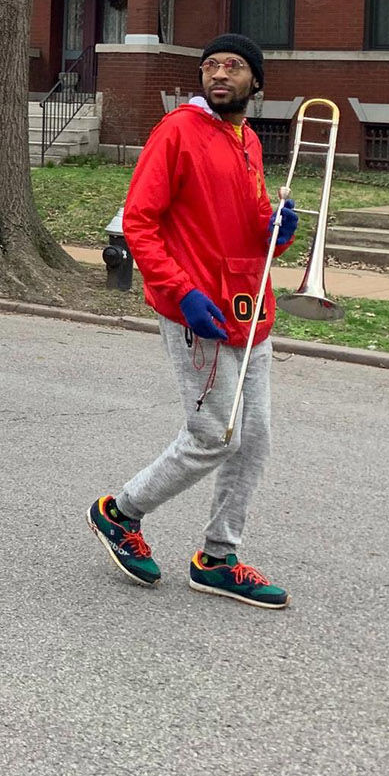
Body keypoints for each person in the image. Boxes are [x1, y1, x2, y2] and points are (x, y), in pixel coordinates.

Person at [88, 33, 298, 609]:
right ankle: (119, 512)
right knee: (211, 436)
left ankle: (217, 559)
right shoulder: (177, 130)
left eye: (233, 66)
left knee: (253, 440)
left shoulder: (248, 141)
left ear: (256, 81)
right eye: (210, 66)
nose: (219, 74)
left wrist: (276, 230)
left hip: (250, 308)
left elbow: (248, 227)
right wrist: (180, 294)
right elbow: (140, 222)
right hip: (197, 312)